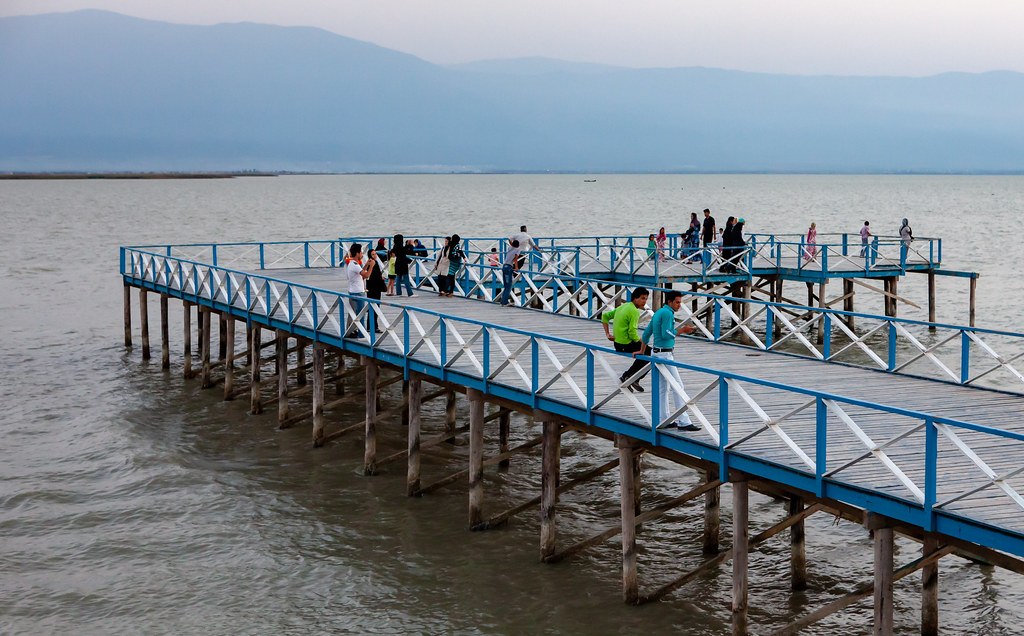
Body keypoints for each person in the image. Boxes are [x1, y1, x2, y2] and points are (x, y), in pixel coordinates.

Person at [642, 290, 699, 431]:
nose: (679, 305)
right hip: (665, 356)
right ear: (669, 302)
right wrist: (682, 330)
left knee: (663, 388)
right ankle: (684, 421)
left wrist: (642, 350)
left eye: (680, 302)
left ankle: (665, 419)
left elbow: (647, 332)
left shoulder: (658, 313)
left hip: (656, 353)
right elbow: (666, 334)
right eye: (677, 302)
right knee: (678, 386)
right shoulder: (667, 313)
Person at [601, 287, 650, 392]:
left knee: (645, 352)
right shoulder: (634, 311)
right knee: (650, 353)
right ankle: (629, 377)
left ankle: (633, 378)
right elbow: (632, 334)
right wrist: (643, 341)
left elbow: (605, 316)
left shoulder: (623, 307)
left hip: (617, 344)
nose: (644, 302)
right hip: (625, 345)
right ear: (635, 298)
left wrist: (608, 334)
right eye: (642, 298)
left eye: (646, 299)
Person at [345, 243, 373, 336]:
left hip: (353, 291)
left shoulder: (352, 264)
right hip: (358, 293)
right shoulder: (354, 265)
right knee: (361, 316)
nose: (362, 254)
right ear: (357, 253)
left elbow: (360, 273)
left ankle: (354, 332)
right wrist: (372, 265)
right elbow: (366, 275)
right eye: (361, 252)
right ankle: (362, 335)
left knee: (356, 314)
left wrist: (366, 265)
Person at [500, 239, 521, 306]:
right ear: (518, 245)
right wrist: (516, 267)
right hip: (509, 267)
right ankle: (505, 302)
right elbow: (515, 259)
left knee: (506, 285)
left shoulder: (510, 248)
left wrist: (510, 240)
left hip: (504, 266)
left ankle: (502, 301)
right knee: (509, 286)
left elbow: (510, 241)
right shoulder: (517, 250)